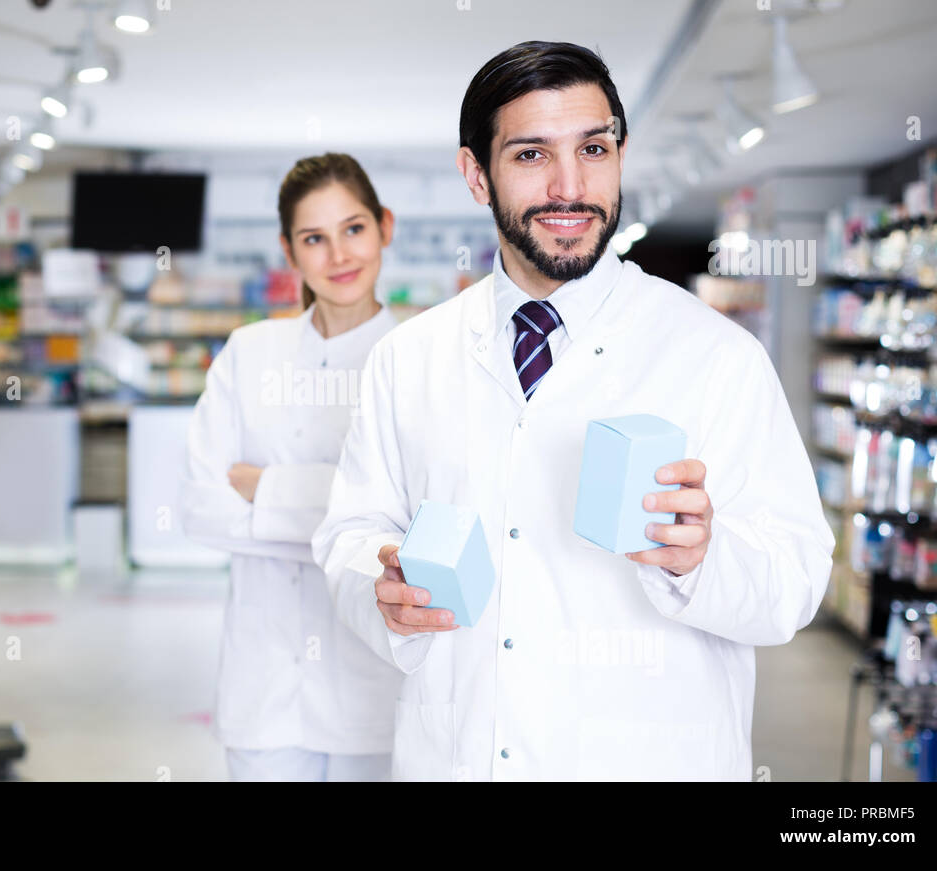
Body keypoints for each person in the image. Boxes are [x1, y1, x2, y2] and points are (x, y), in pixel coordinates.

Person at [311, 41, 835, 781]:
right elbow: (352, 533)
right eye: (531, 155)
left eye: (594, 148)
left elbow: (796, 578)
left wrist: (704, 558)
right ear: (475, 174)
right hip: (457, 757)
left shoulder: (715, 357)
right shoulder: (410, 358)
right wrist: (383, 591)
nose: (571, 186)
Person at [181, 153, 403, 781]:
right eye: (314, 238)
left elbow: (420, 516)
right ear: (289, 250)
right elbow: (201, 508)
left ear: (385, 226)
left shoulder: (420, 358)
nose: (338, 255)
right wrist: (352, 521)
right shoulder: (250, 353)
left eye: (353, 228)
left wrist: (266, 489)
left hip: (377, 689)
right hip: (265, 687)